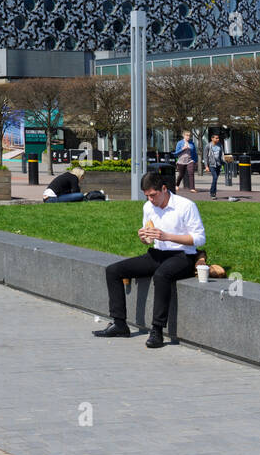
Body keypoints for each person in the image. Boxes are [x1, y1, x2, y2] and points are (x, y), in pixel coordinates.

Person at [93, 171, 205, 348]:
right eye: (147, 196)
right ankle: (119, 323)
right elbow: (149, 238)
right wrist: (144, 237)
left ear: (164, 188)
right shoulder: (148, 207)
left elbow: (199, 239)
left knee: (161, 276)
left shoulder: (186, 206)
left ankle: (157, 330)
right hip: (157, 253)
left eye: (153, 195)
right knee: (113, 270)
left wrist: (167, 236)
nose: (151, 200)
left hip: (183, 255)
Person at [202, 134, 224, 200]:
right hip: (212, 165)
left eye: (218, 138)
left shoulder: (220, 145)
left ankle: (213, 191)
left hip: (218, 164)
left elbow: (222, 154)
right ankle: (212, 193)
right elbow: (205, 156)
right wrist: (206, 166)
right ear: (212, 139)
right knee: (214, 177)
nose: (218, 139)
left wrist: (224, 162)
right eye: (216, 138)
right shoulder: (208, 146)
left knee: (215, 179)